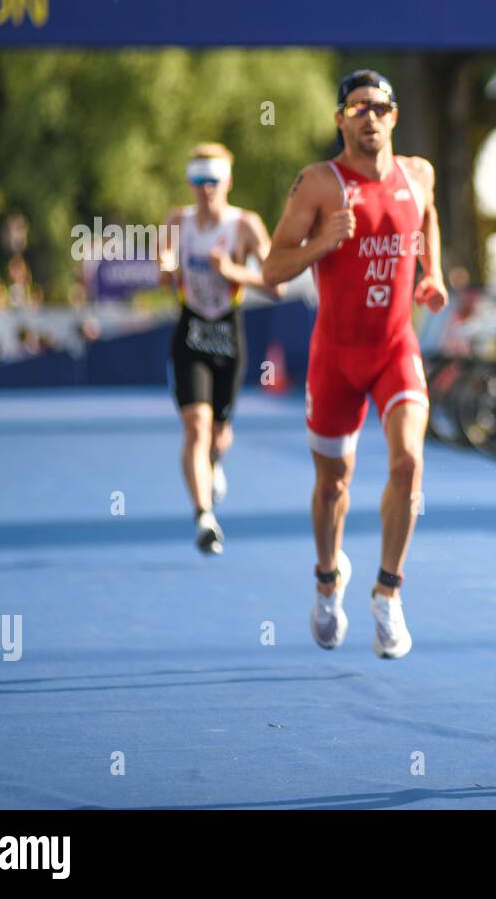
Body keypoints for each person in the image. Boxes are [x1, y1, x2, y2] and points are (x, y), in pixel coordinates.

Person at [263, 70, 448, 659]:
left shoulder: (418, 174)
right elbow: (271, 269)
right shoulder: (320, 184)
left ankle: (388, 593)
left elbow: (430, 217)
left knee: (410, 461)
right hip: (335, 357)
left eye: (380, 107)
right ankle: (327, 581)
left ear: (394, 116)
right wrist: (323, 244)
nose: (370, 116)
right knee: (332, 483)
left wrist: (432, 273)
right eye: (357, 107)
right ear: (340, 119)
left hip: (395, 348)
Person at [158, 143, 278, 555]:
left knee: (219, 435)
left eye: (213, 180)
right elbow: (164, 268)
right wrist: (168, 269)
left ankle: (214, 461)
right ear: (189, 183)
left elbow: (276, 283)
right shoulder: (177, 221)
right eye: (198, 180)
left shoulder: (245, 225)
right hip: (191, 332)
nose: (206, 189)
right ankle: (204, 518)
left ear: (228, 181)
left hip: (229, 336)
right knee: (195, 426)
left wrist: (233, 271)